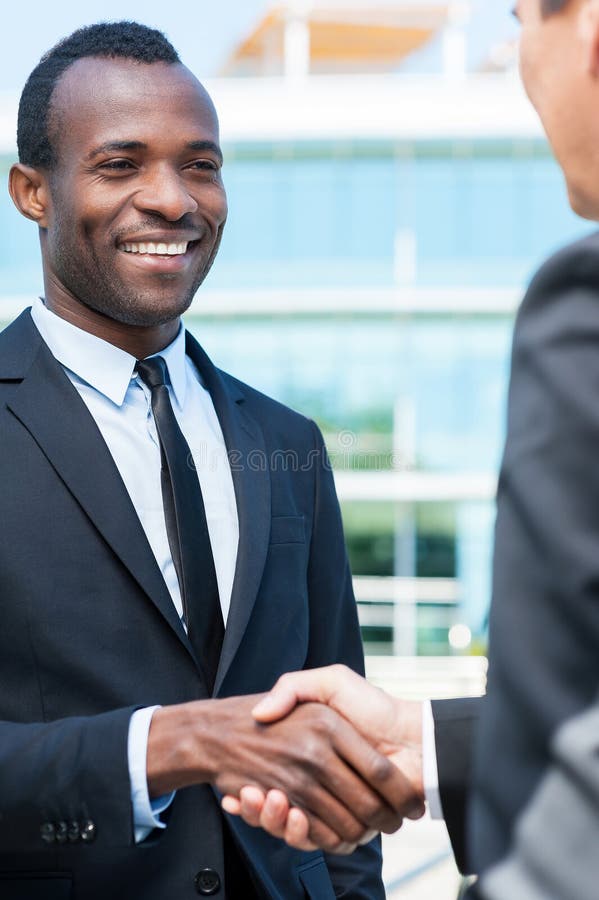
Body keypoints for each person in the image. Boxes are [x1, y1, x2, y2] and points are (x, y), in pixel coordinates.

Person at [0, 21, 422, 900]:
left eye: (200, 164)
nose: (173, 199)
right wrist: (172, 743)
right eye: (121, 164)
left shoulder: (288, 444)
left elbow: (340, 753)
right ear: (32, 192)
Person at [223, 0, 599, 892]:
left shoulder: (581, 308)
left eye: (520, 24)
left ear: (587, 32)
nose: (516, 60)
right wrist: (424, 745)